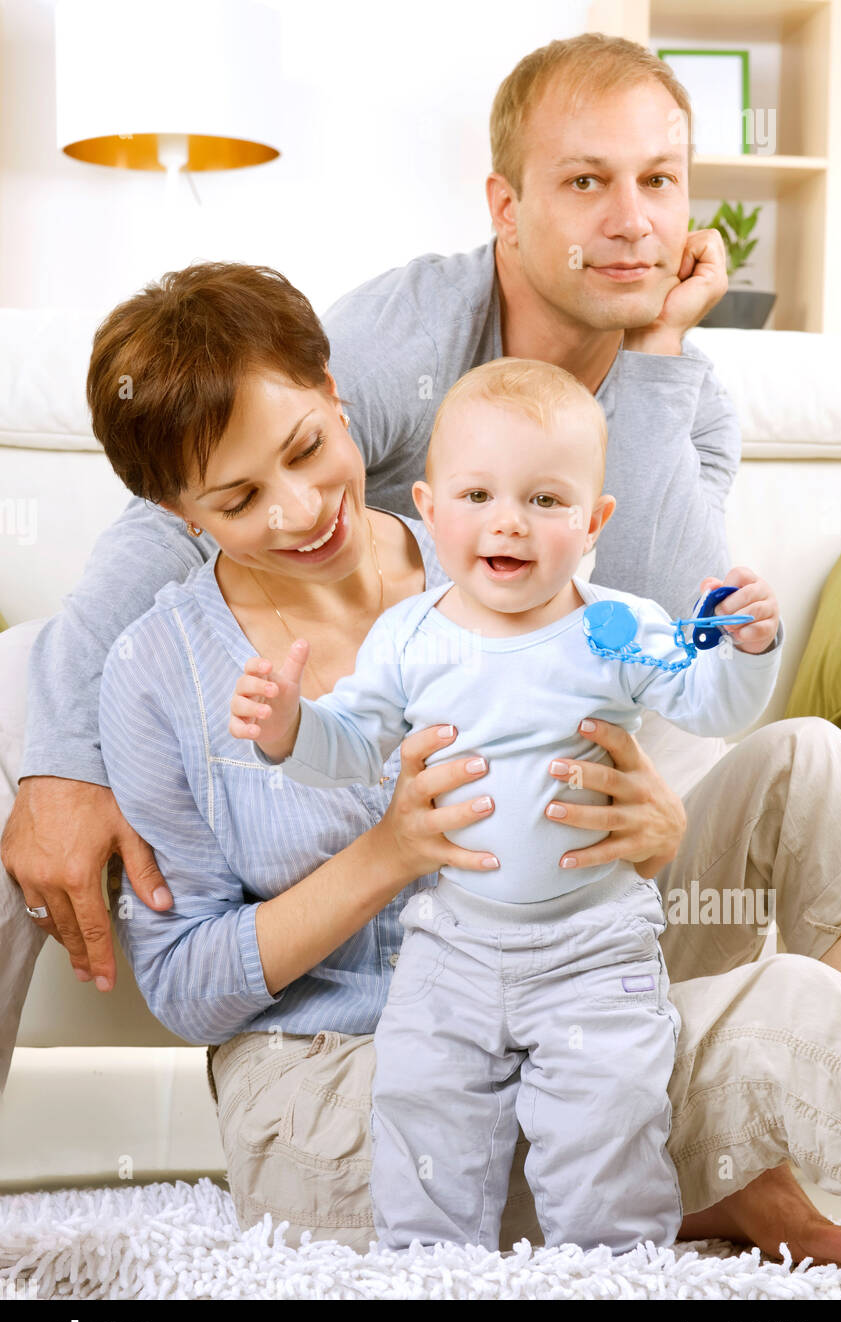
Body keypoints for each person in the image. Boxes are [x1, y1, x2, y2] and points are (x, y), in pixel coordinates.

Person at [3, 33, 841, 1262]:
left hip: (543, 992)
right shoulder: (160, 665)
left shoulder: (466, 560)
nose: (297, 513)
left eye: (304, 453)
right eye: (236, 503)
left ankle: (726, 1176)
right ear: (181, 520)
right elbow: (188, 982)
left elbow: (650, 639)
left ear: (339, 406)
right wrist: (383, 850)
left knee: (807, 806)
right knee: (14, 681)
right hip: (349, 1072)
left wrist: (652, 824)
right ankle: (713, 1192)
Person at [230, 356, 784, 1253]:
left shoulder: (617, 626)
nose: (509, 523)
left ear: (594, 520)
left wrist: (749, 647)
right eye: (479, 495)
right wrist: (292, 726)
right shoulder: (411, 635)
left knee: (609, 1131)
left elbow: (712, 704)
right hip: (453, 943)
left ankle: (608, 1269)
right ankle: (432, 1270)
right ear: (431, 509)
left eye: (546, 501)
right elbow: (351, 745)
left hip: (594, 948)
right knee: (423, 1118)